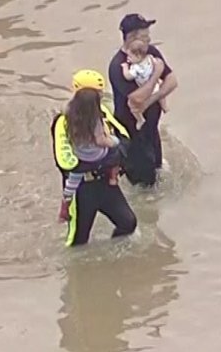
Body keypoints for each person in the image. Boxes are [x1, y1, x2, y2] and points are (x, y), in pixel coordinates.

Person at [50, 69, 137, 247]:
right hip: (81, 189)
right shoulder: (62, 121)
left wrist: (113, 155)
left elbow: (124, 137)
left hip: (105, 184)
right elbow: (66, 162)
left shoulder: (102, 112)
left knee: (128, 223)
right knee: (78, 242)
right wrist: (107, 158)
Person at [108, 13, 178, 186]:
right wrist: (156, 75)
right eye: (145, 36)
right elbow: (137, 99)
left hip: (151, 129)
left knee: (158, 171)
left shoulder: (151, 52)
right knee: (145, 188)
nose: (149, 39)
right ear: (131, 38)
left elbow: (172, 81)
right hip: (133, 136)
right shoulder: (118, 66)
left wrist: (153, 99)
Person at [120, 36, 168, 128]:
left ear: (138, 56)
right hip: (156, 86)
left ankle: (140, 119)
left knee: (131, 104)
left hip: (146, 89)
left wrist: (125, 67)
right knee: (161, 90)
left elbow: (128, 76)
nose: (128, 59)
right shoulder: (149, 58)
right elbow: (157, 62)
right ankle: (164, 106)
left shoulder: (136, 68)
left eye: (130, 56)